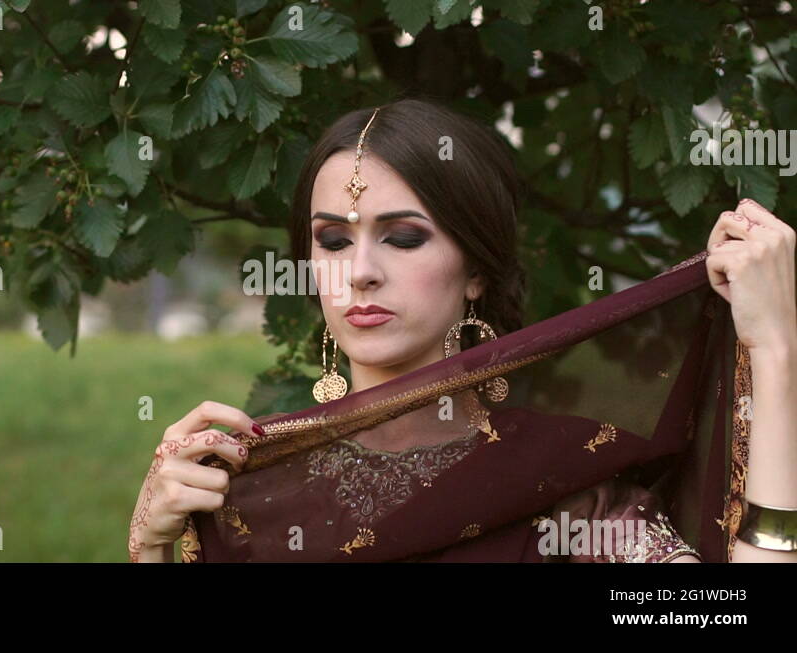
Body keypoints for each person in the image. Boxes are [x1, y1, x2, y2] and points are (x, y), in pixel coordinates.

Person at [128, 98, 796, 563]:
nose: (359, 273)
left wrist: (775, 352)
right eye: (333, 240)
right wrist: (154, 544)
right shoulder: (254, 490)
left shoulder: (568, 492)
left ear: (475, 268)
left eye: (404, 238)